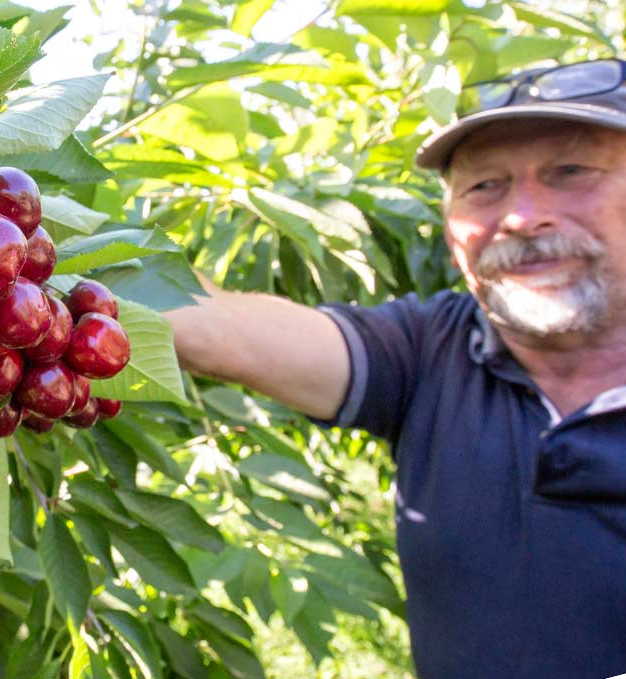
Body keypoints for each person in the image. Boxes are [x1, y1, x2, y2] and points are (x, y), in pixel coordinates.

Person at [166, 57, 626, 679]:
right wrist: (29, 245)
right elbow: (210, 325)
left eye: (570, 171)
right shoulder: (433, 348)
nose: (521, 216)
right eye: (484, 186)